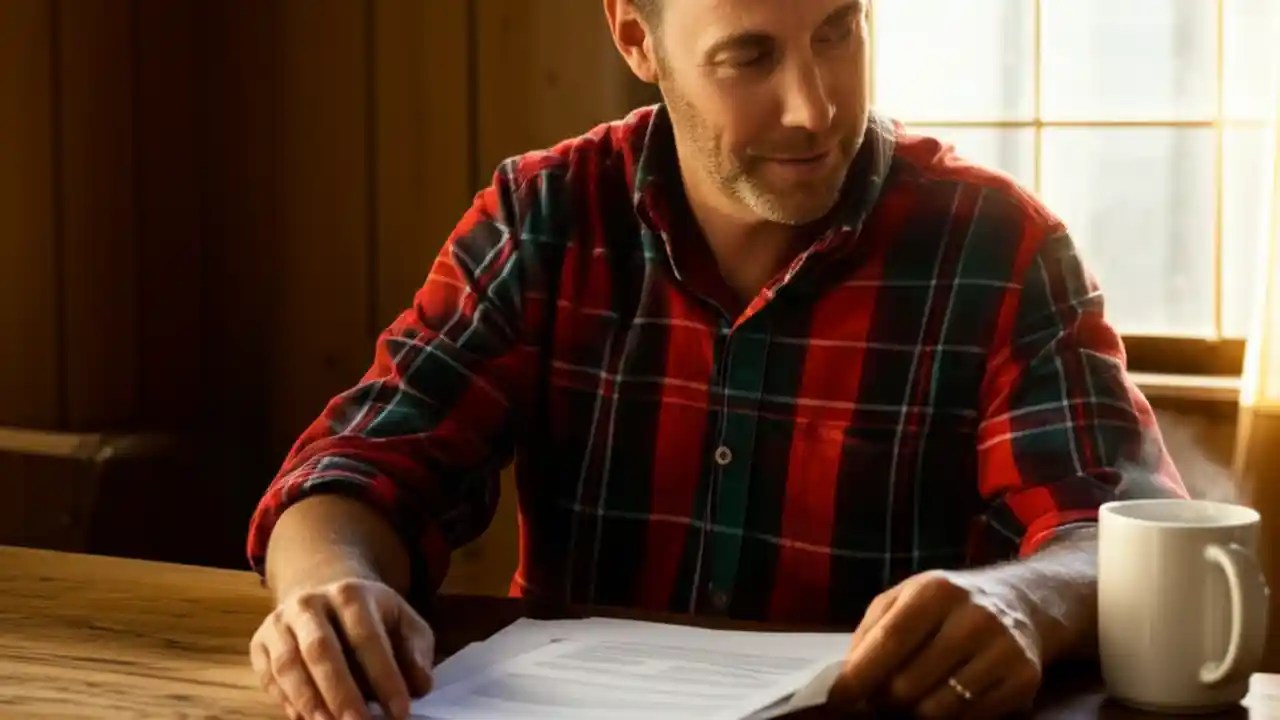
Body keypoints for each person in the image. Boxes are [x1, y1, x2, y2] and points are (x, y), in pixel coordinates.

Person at [244, 0, 1187, 718]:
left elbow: (1125, 534)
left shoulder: (999, 248)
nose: (814, 109)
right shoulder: (543, 218)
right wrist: (333, 588)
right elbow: (360, 465)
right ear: (634, 38)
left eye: (837, 31)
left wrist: (1024, 598)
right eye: (749, 56)